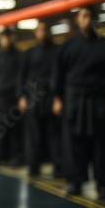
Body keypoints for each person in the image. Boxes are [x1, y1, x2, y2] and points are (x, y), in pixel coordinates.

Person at [51, 6, 105, 200]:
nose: (88, 19)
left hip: (99, 99)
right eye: (84, 16)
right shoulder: (67, 47)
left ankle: (103, 183)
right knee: (74, 142)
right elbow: (58, 76)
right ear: (77, 19)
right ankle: (75, 180)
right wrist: (57, 98)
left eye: (91, 16)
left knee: (101, 143)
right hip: (74, 99)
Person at [18, 20, 62, 177]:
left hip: (51, 96)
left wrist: (58, 98)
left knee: (54, 133)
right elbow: (21, 76)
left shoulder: (58, 51)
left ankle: (58, 165)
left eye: (45, 29)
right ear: (36, 33)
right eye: (40, 30)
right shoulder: (29, 53)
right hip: (33, 97)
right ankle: (33, 165)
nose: (43, 32)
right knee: (33, 135)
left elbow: (61, 76)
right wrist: (22, 97)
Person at [0, 28, 23, 165]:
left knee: (14, 128)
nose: (5, 41)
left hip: (13, 97)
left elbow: (20, 77)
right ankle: (1, 153)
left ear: (12, 38)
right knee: (0, 127)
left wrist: (20, 96)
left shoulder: (19, 56)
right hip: (0, 97)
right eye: (3, 38)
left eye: (8, 37)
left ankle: (15, 156)